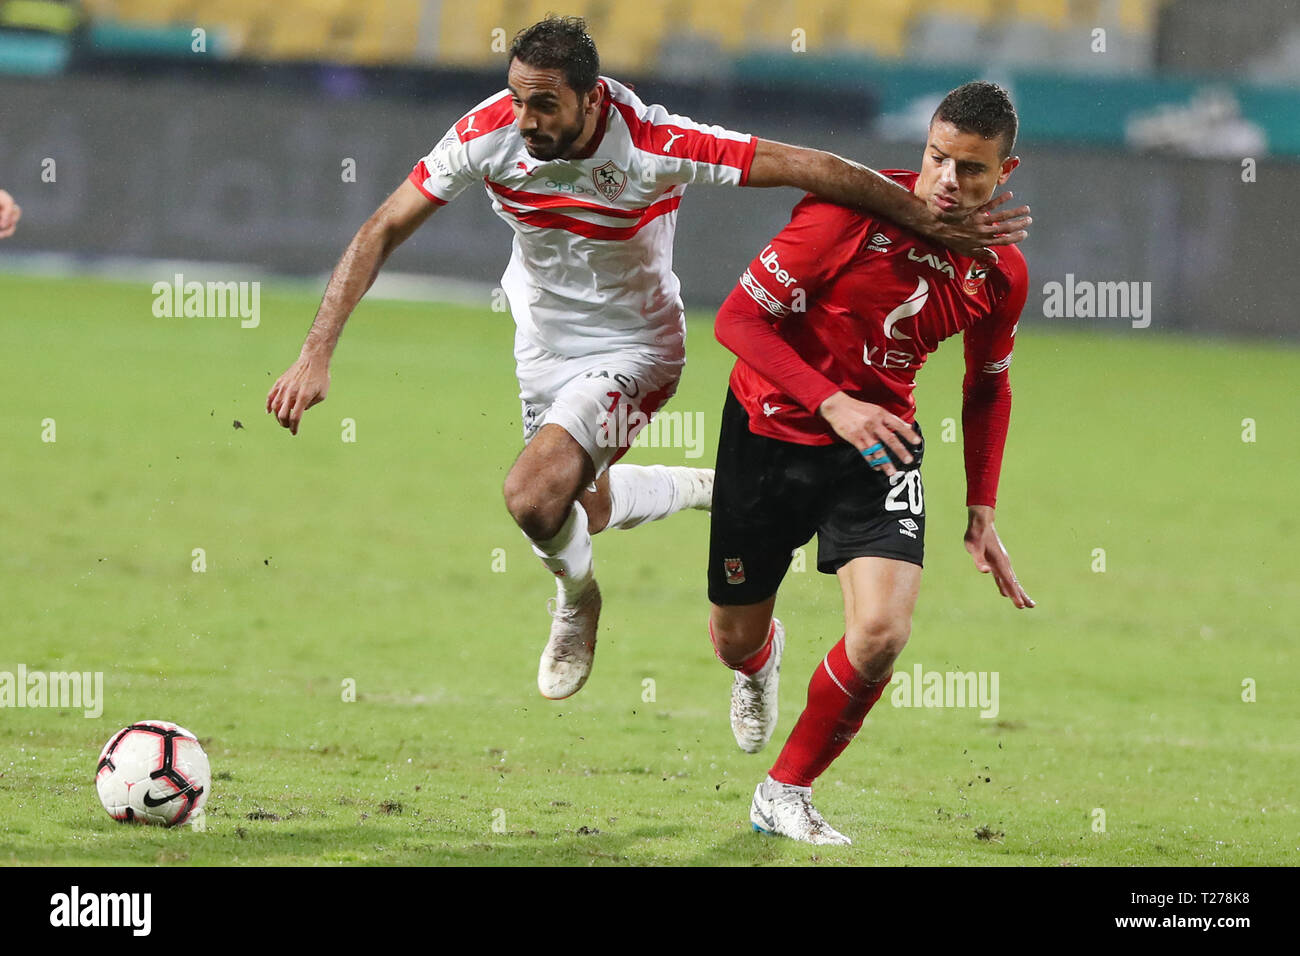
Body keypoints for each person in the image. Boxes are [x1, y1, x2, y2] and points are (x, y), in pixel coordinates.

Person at [266, 17, 1030, 702]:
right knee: (580, 508)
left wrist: (931, 223)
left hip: (636, 346)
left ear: (592, 100)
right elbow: (382, 227)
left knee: (532, 497)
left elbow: (808, 165)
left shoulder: (654, 142)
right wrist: (314, 352)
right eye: (517, 100)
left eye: (544, 106)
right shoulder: (486, 132)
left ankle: (578, 603)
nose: (524, 121)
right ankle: (705, 486)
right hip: (541, 346)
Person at [707, 81, 1035, 845]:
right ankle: (761, 659)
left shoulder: (1000, 272)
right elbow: (737, 319)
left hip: (880, 444)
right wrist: (830, 402)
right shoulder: (847, 214)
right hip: (768, 430)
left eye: (973, 170)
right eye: (938, 159)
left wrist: (982, 506)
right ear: (923, 148)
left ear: (1005, 172)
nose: (950, 181)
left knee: (883, 630)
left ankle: (784, 790)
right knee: (731, 638)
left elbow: (989, 386)